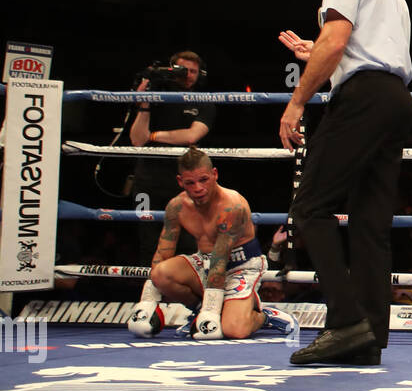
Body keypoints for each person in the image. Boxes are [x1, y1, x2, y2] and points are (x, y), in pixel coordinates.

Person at [278, 0, 412, 366]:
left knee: (309, 207)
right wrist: (314, 53)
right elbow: (351, 48)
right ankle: (369, 336)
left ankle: (344, 323)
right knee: (369, 224)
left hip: (363, 99)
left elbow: (337, 41)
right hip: (394, 99)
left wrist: (296, 103)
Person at [126, 149, 297, 340]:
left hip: (240, 266)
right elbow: (163, 252)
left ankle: (264, 316)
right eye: (190, 183)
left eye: (203, 180)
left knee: (235, 330)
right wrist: (148, 301)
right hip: (205, 262)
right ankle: (199, 311)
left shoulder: (232, 206)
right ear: (180, 181)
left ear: (215, 174)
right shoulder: (177, 207)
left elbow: (220, 260)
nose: (198, 188)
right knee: (161, 274)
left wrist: (211, 312)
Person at [129, 51, 215, 262]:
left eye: (193, 71)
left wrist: (154, 136)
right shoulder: (155, 96)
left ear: (200, 74)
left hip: (185, 181)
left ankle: (187, 291)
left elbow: (192, 135)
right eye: (182, 69)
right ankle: (150, 291)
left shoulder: (204, 101)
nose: (187, 75)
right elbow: (138, 140)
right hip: (148, 178)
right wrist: (145, 102)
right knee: (148, 239)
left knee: (188, 240)